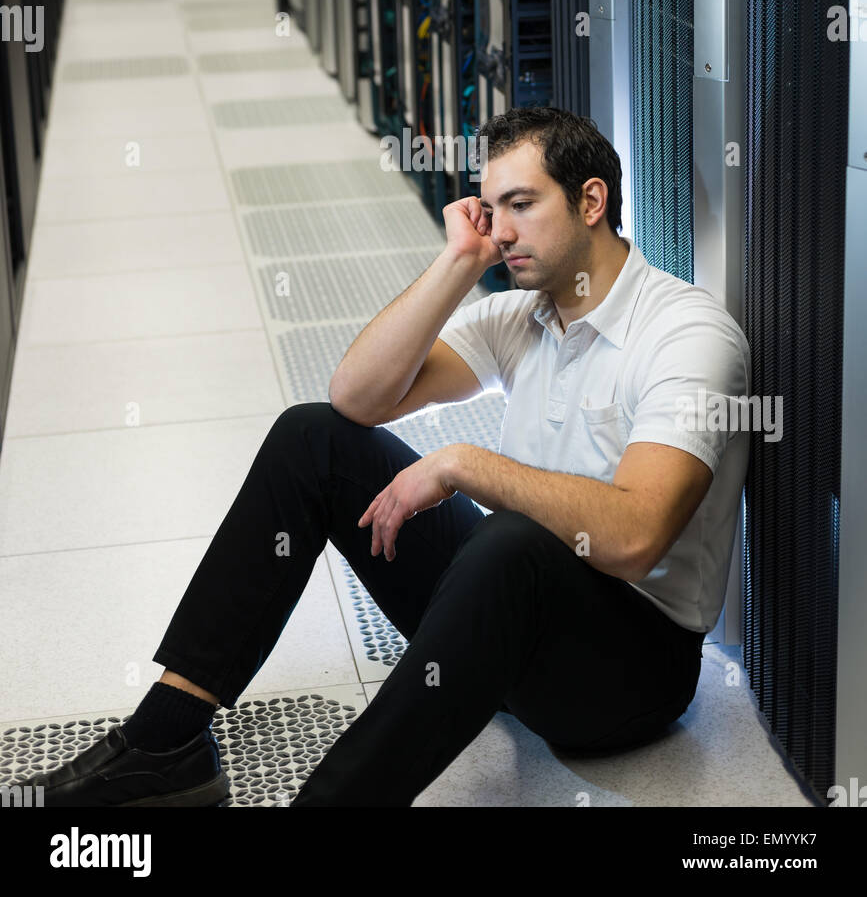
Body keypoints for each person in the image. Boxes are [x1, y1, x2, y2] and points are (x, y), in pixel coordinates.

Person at [25, 106, 751, 807]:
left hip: (628, 669)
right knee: (312, 437)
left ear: (590, 200)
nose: (501, 232)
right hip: (513, 618)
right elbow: (356, 397)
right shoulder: (521, 317)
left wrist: (462, 464)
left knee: (509, 539)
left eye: (522, 205)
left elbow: (633, 536)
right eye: (489, 210)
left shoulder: (684, 335)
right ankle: (165, 743)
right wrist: (456, 261)